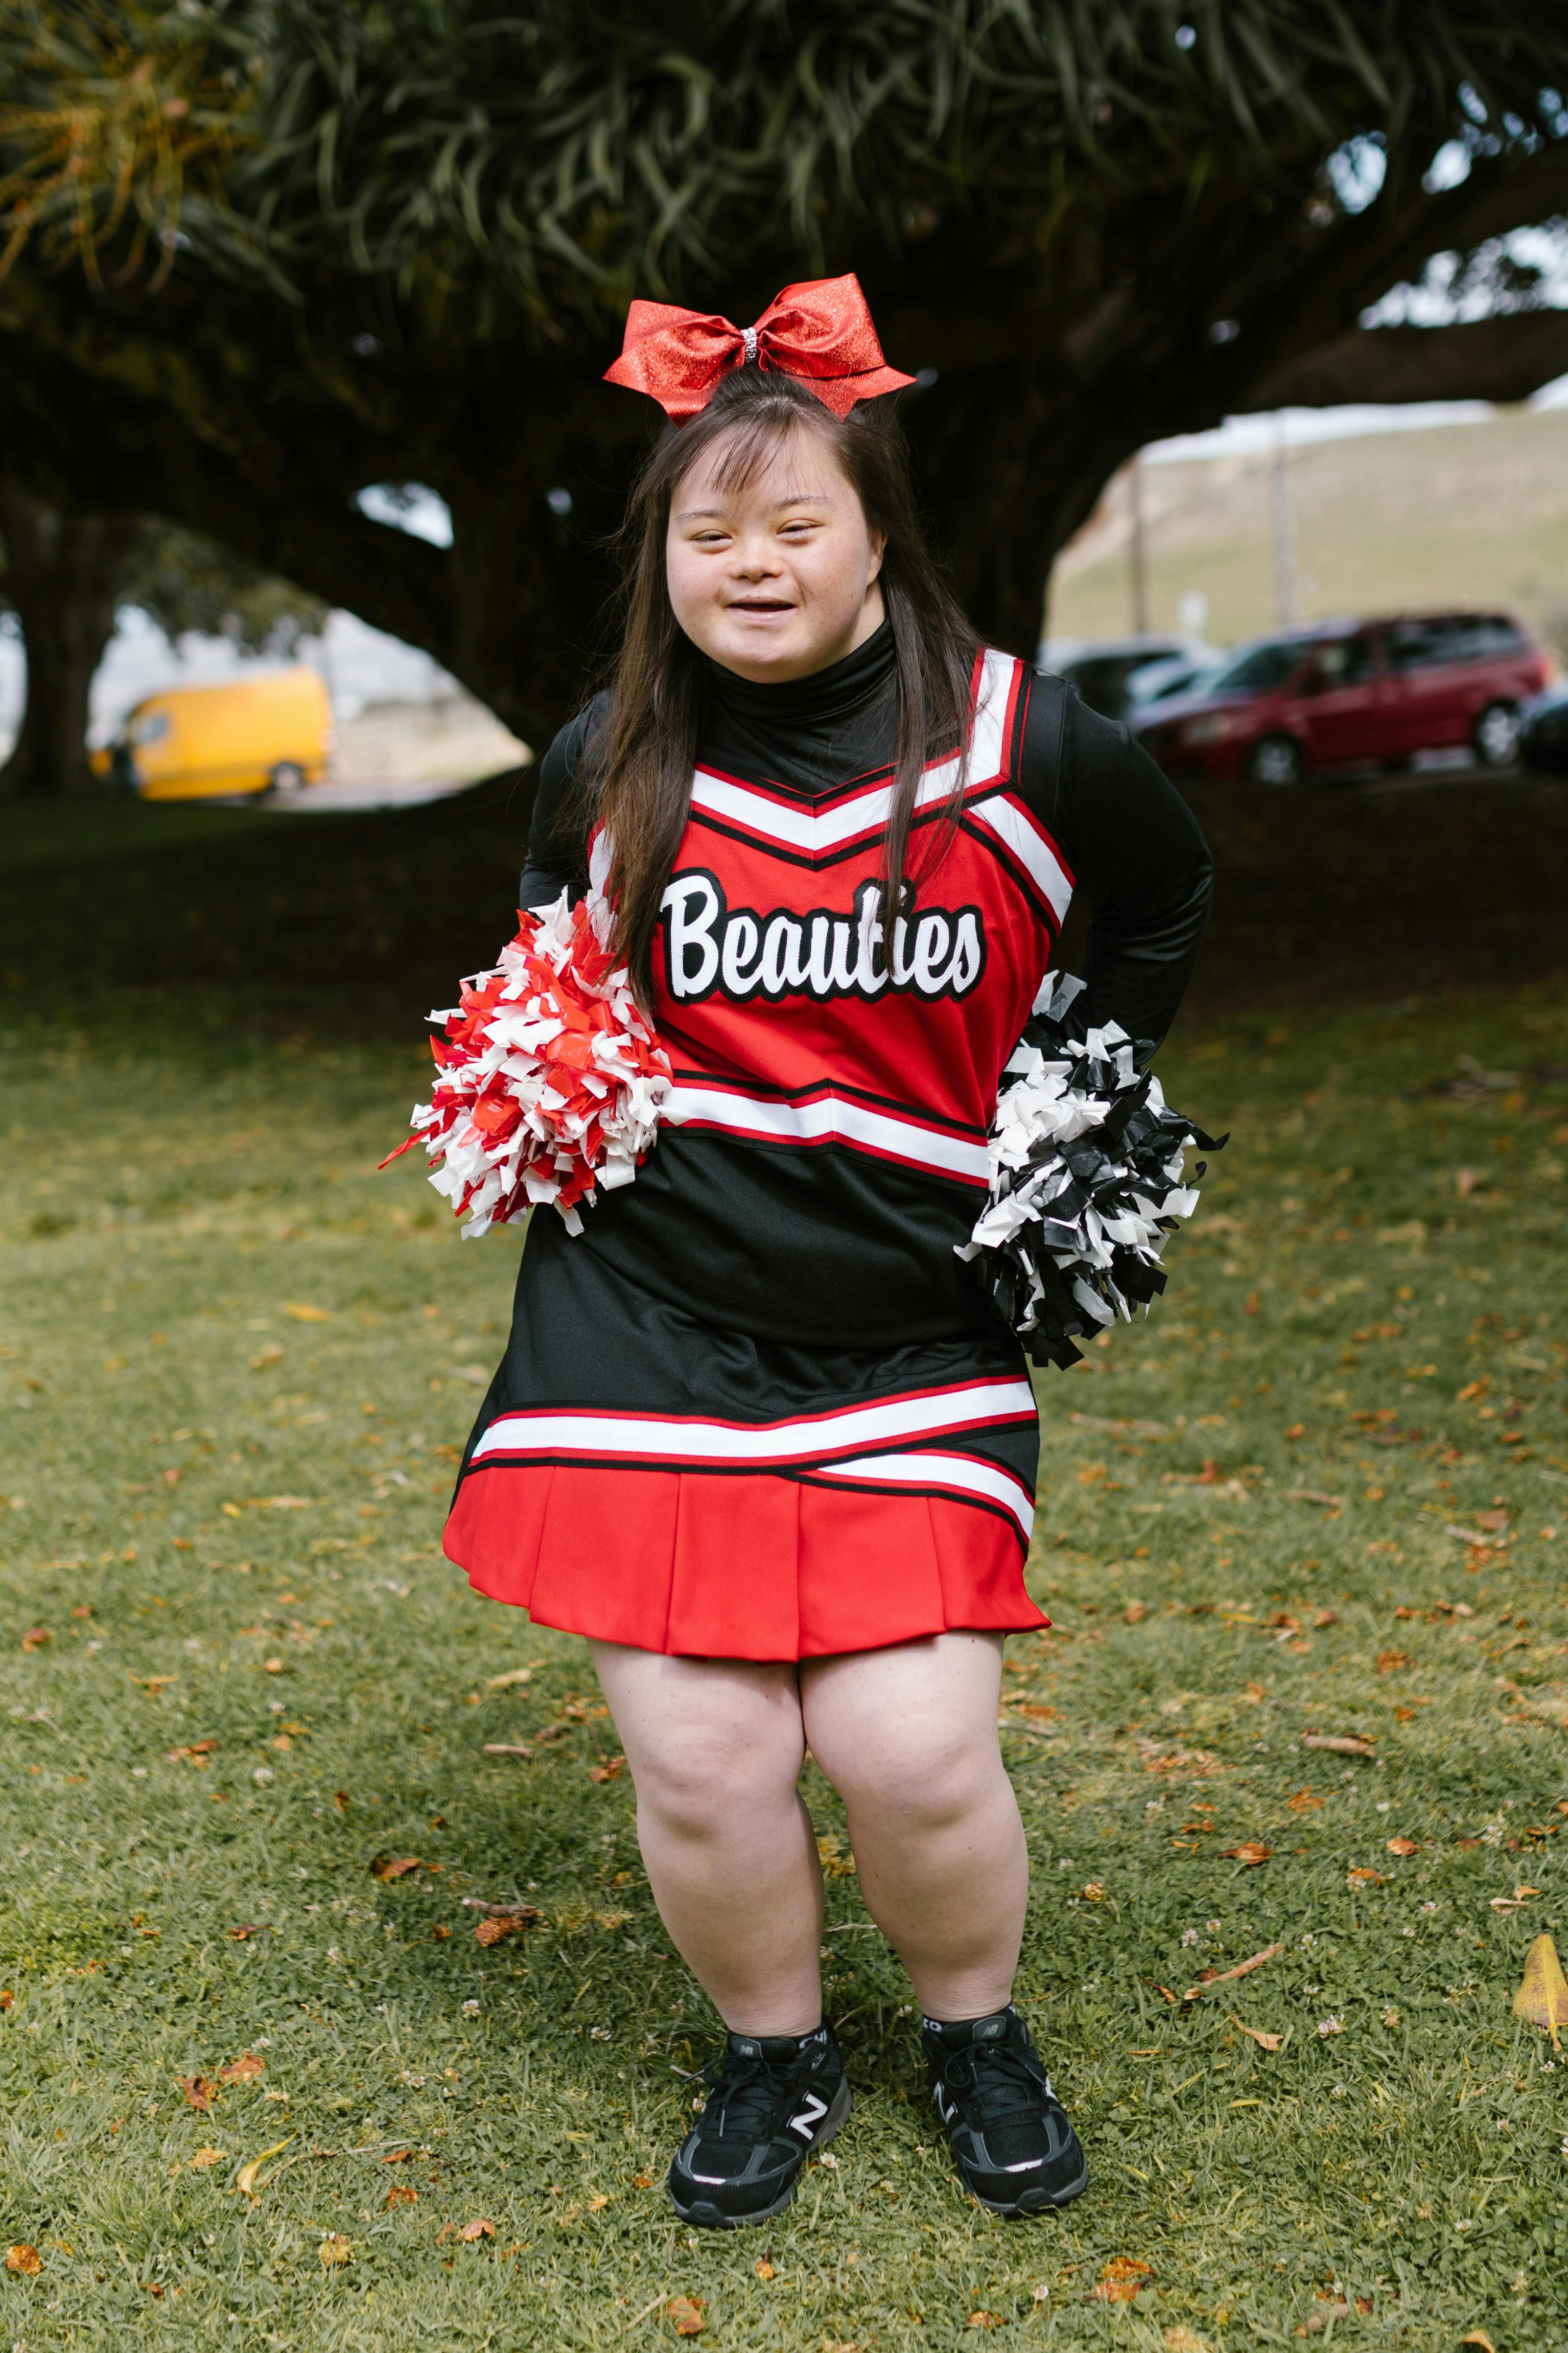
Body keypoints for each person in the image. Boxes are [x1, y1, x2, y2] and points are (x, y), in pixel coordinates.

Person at [442, 277, 1211, 2228]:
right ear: (666, 559)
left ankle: (972, 2027)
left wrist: (1075, 1093)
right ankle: (773, 2055)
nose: (753, 563)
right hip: (648, 1322)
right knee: (700, 1750)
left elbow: (1166, 894)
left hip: (913, 1320)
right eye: (712, 534)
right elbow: (547, 970)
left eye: (797, 526)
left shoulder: (1029, 745)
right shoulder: (605, 760)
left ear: (879, 533)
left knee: (911, 1740)